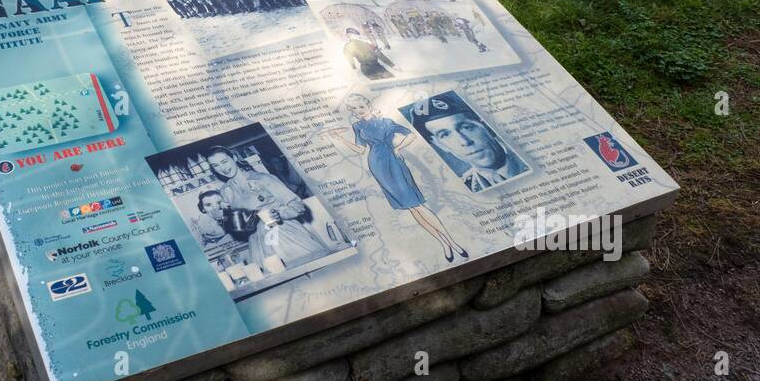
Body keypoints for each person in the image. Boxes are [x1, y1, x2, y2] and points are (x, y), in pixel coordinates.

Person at [329, 94, 468, 264]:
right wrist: (341, 139)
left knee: (418, 205)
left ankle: (452, 242)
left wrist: (399, 148)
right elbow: (359, 150)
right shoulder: (357, 126)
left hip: (394, 162)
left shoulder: (386, 121)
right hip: (377, 165)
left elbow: (410, 135)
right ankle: (444, 244)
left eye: (360, 105)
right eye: (354, 108)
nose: (358, 110)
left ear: (367, 104)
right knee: (412, 209)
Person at [204, 146, 331, 271]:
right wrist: (228, 221)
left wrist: (279, 213)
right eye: (215, 165)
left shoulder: (263, 178)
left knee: (313, 271)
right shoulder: (225, 192)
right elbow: (237, 226)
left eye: (224, 161)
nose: (222, 168)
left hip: (284, 234)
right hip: (257, 242)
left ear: (234, 158)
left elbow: (297, 204)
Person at [410, 93, 528, 193]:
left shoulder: (526, 157)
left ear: (485, 125)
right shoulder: (466, 187)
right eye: (445, 135)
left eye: (466, 127)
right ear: (439, 145)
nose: (464, 141)